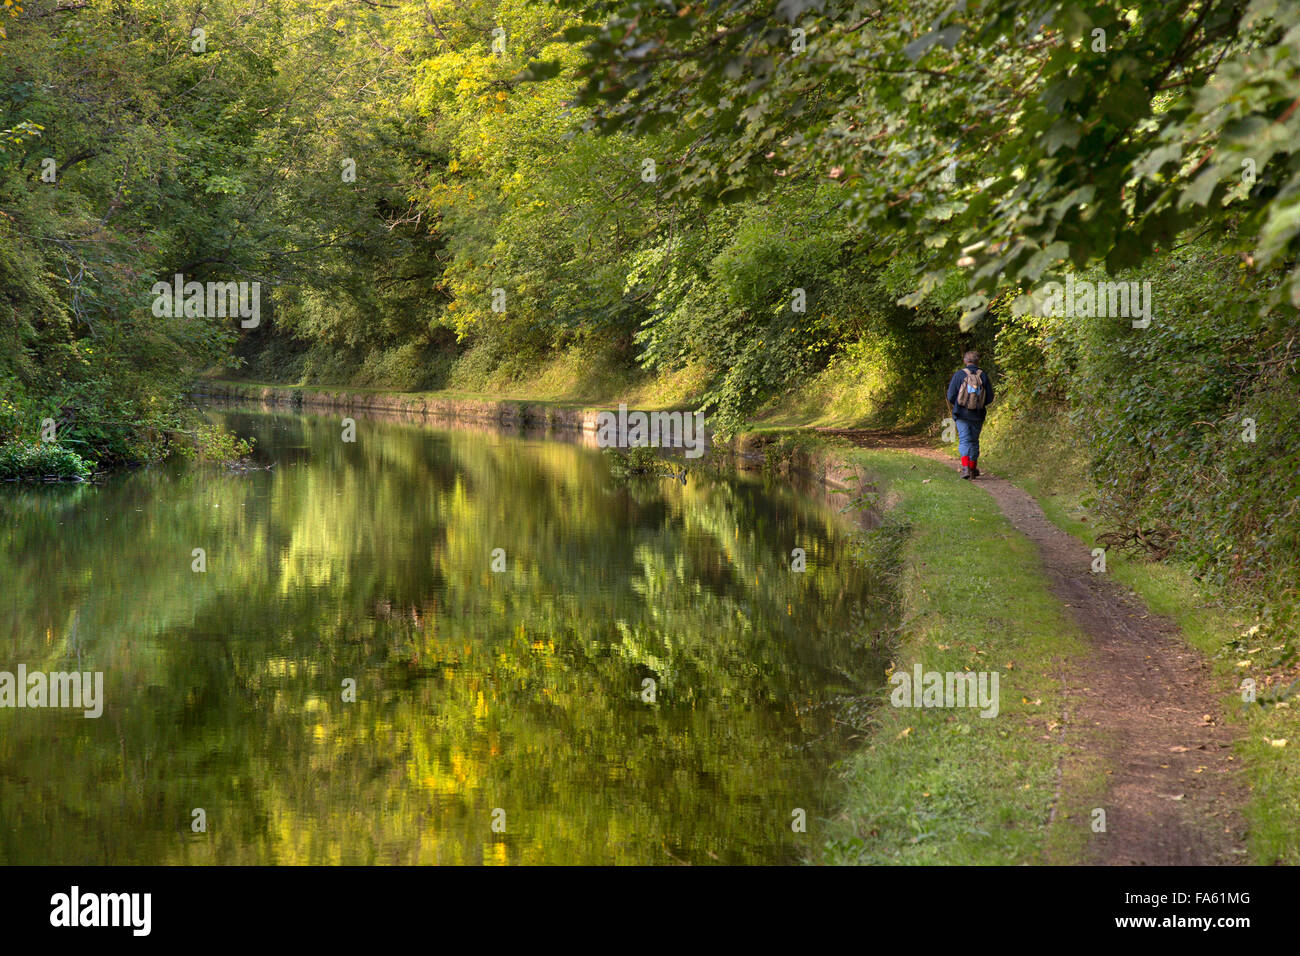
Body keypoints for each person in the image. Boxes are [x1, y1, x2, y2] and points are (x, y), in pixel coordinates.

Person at [946, 350, 993, 479]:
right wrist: (978, 405)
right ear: (978, 361)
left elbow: (950, 395)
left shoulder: (959, 375)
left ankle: (965, 468)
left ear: (965, 361)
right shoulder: (983, 375)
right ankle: (972, 469)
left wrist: (959, 404)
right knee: (974, 441)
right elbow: (989, 397)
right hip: (977, 414)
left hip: (961, 414)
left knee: (964, 440)